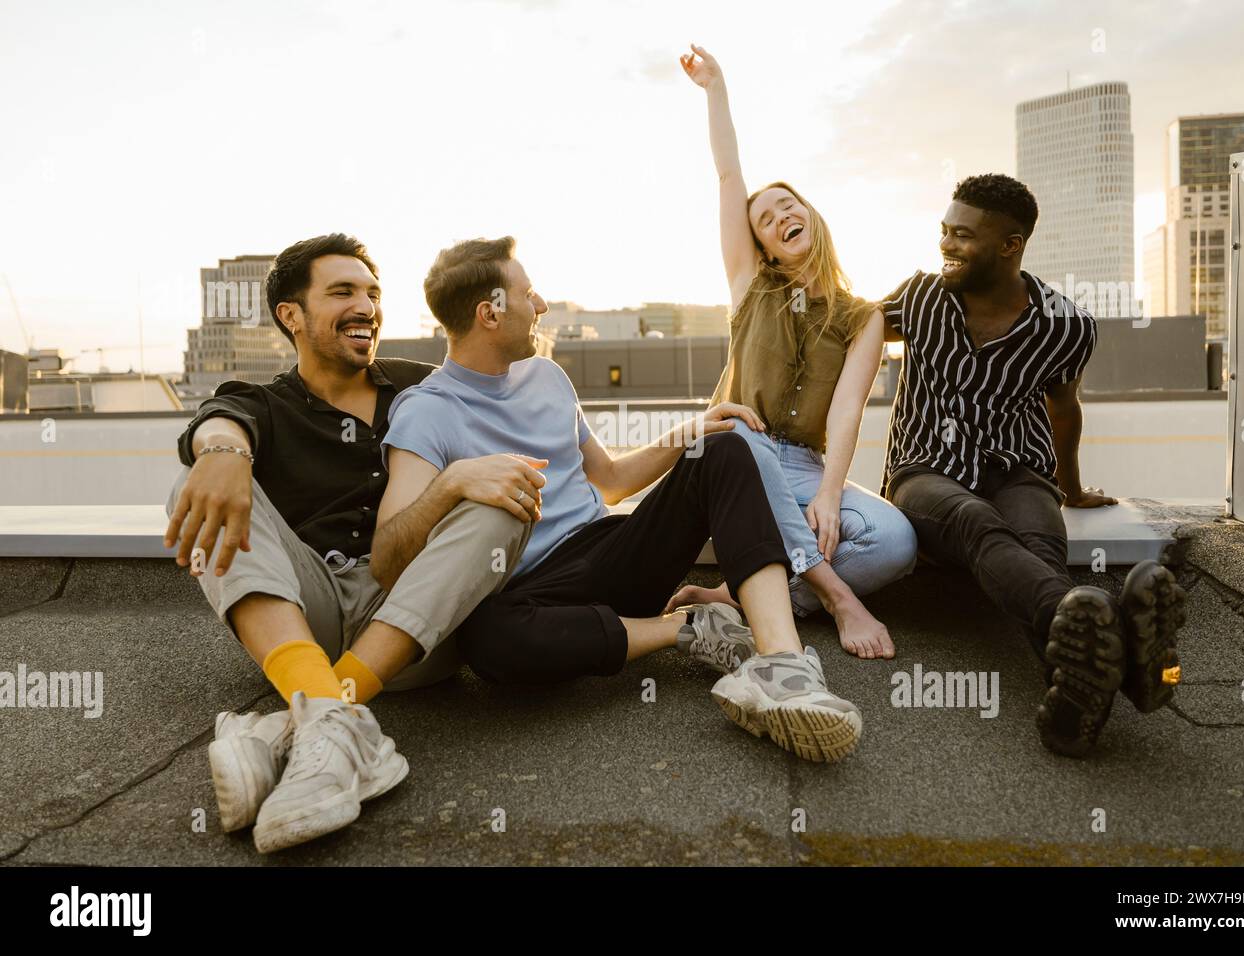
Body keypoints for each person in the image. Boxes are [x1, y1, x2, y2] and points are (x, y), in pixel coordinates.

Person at [375, 236, 864, 763]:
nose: (540, 305)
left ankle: (783, 665)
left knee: (723, 449)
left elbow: (608, 480)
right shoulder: (425, 411)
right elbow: (387, 558)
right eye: (528, 294)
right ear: (489, 313)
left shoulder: (547, 375)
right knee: (488, 644)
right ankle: (686, 629)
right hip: (531, 594)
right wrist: (450, 484)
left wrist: (690, 432)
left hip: (610, 552)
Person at [165, 233, 546, 851]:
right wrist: (223, 450)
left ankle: (297, 723)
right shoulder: (259, 402)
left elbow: (533, 421)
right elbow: (219, 419)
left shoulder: (425, 388)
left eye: (373, 293)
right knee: (196, 480)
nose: (366, 305)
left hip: (418, 622)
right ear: (291, 314)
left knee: (503, 498)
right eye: (342, 292)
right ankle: (332, 721)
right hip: (305, 610)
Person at [878, 174, 1186, 757]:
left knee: (1039, 546)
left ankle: (1074, 710)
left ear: (1009, 244)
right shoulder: (918, 298)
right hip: (924, 471)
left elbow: (1064, 411)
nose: (946, 244)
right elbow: (841, 340)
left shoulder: (1065, 325)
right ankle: (1132, 655)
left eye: (962, 236)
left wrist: (1069, 490)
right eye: (944, 230)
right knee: (976, 523)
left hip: (1020, 467)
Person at [664, 43, 917, 662]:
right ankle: (835, 598)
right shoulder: (751, 288)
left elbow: (846, 412)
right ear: (765, 250)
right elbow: (729, 177)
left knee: (895, 540)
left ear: (810, 215)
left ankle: (739, 597)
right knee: (743, 440)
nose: (778, 219)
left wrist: (829, 492)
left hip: (803, 464)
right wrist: (716, 88)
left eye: (787, 207)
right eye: (765, 222)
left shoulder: (863, 317)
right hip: (733, 455)